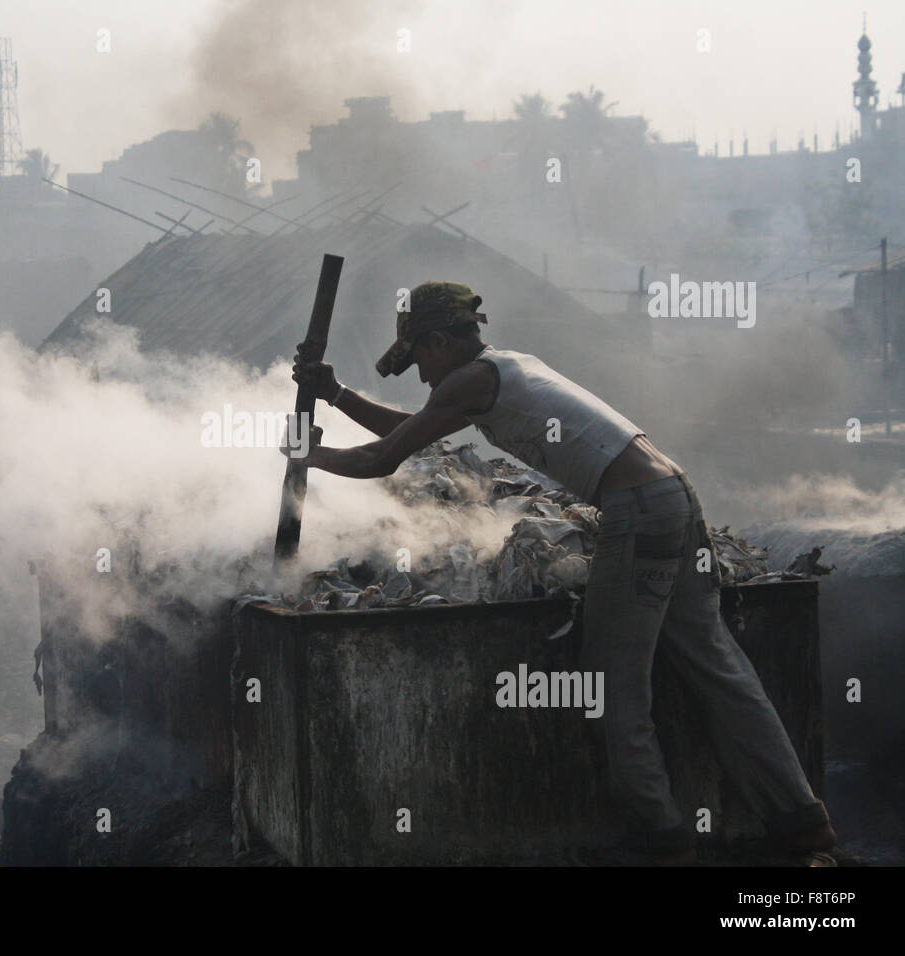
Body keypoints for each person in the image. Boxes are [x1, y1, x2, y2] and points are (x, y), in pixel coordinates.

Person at [288, 279, 836, 864]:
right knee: (715, 665)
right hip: (672, 495)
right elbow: (411, 435)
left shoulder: (473, 380)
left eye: (419, 357)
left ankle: (663, 839)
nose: (421, 374)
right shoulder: (501, 369)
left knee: (612, 684)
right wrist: (338, 394)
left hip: (637, 511)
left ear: (441, 340)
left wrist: (309, 457)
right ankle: (802, 823)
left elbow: (384, 457)